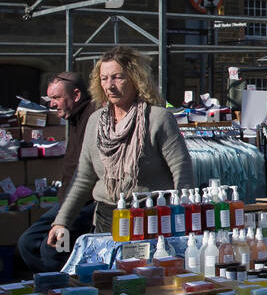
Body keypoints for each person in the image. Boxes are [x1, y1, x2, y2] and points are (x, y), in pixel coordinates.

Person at [47, 46, 193, 249]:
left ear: (135, 78)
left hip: (151, 220)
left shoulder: (158, 118)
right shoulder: (95, 121)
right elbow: (83, 177)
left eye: (117, 77)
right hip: (106, 221)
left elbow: (182, 172)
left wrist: (182, 223)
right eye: (104, 78)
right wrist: (61, 222)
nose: (110, 86)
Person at [17, 71, 97, 272]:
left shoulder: (94, 118)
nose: (51, 104)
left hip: (86, 204)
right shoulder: (74, 119)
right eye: (50, 98)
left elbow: (86, 175)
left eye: (56, 98)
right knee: (27, 243)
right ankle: (52, 284)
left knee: (53, 249)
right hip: (66, 202)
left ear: (76, 95)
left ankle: (62, 290)